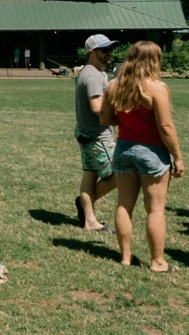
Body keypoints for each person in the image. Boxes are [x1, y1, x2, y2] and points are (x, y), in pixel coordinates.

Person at [101, 40, 183, 272]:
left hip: (124, 149)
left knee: (124, 206)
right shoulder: (157, 88)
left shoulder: (114, 85)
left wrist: (127, 121)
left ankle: (125, 257)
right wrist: (177, 157)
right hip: (152, 151)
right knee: (155, 209)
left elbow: (105, 119)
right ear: (154, 60)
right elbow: (165, 126)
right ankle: (157, 261)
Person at [73, 34, 120, 232]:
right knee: (119, 174)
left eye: (110, 48)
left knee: (90, 176)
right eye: (104, 49)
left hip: (88, 133)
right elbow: (96, 106)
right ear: (92, 52)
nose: (109, 52)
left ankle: (90, 221)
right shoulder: (92, 75)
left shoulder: (95, 72)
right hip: (98, 135)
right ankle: (85, 204)